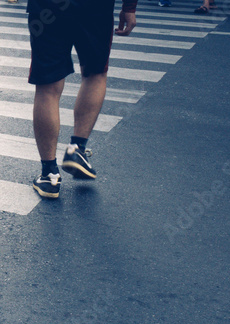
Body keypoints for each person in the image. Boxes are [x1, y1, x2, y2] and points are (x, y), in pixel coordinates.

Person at [28, 0, 137, 198]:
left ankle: (49, 174)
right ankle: (77, 148)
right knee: (95, 73)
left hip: (48, 7)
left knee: (48, 87)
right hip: (95, 7)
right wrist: (129, 8)